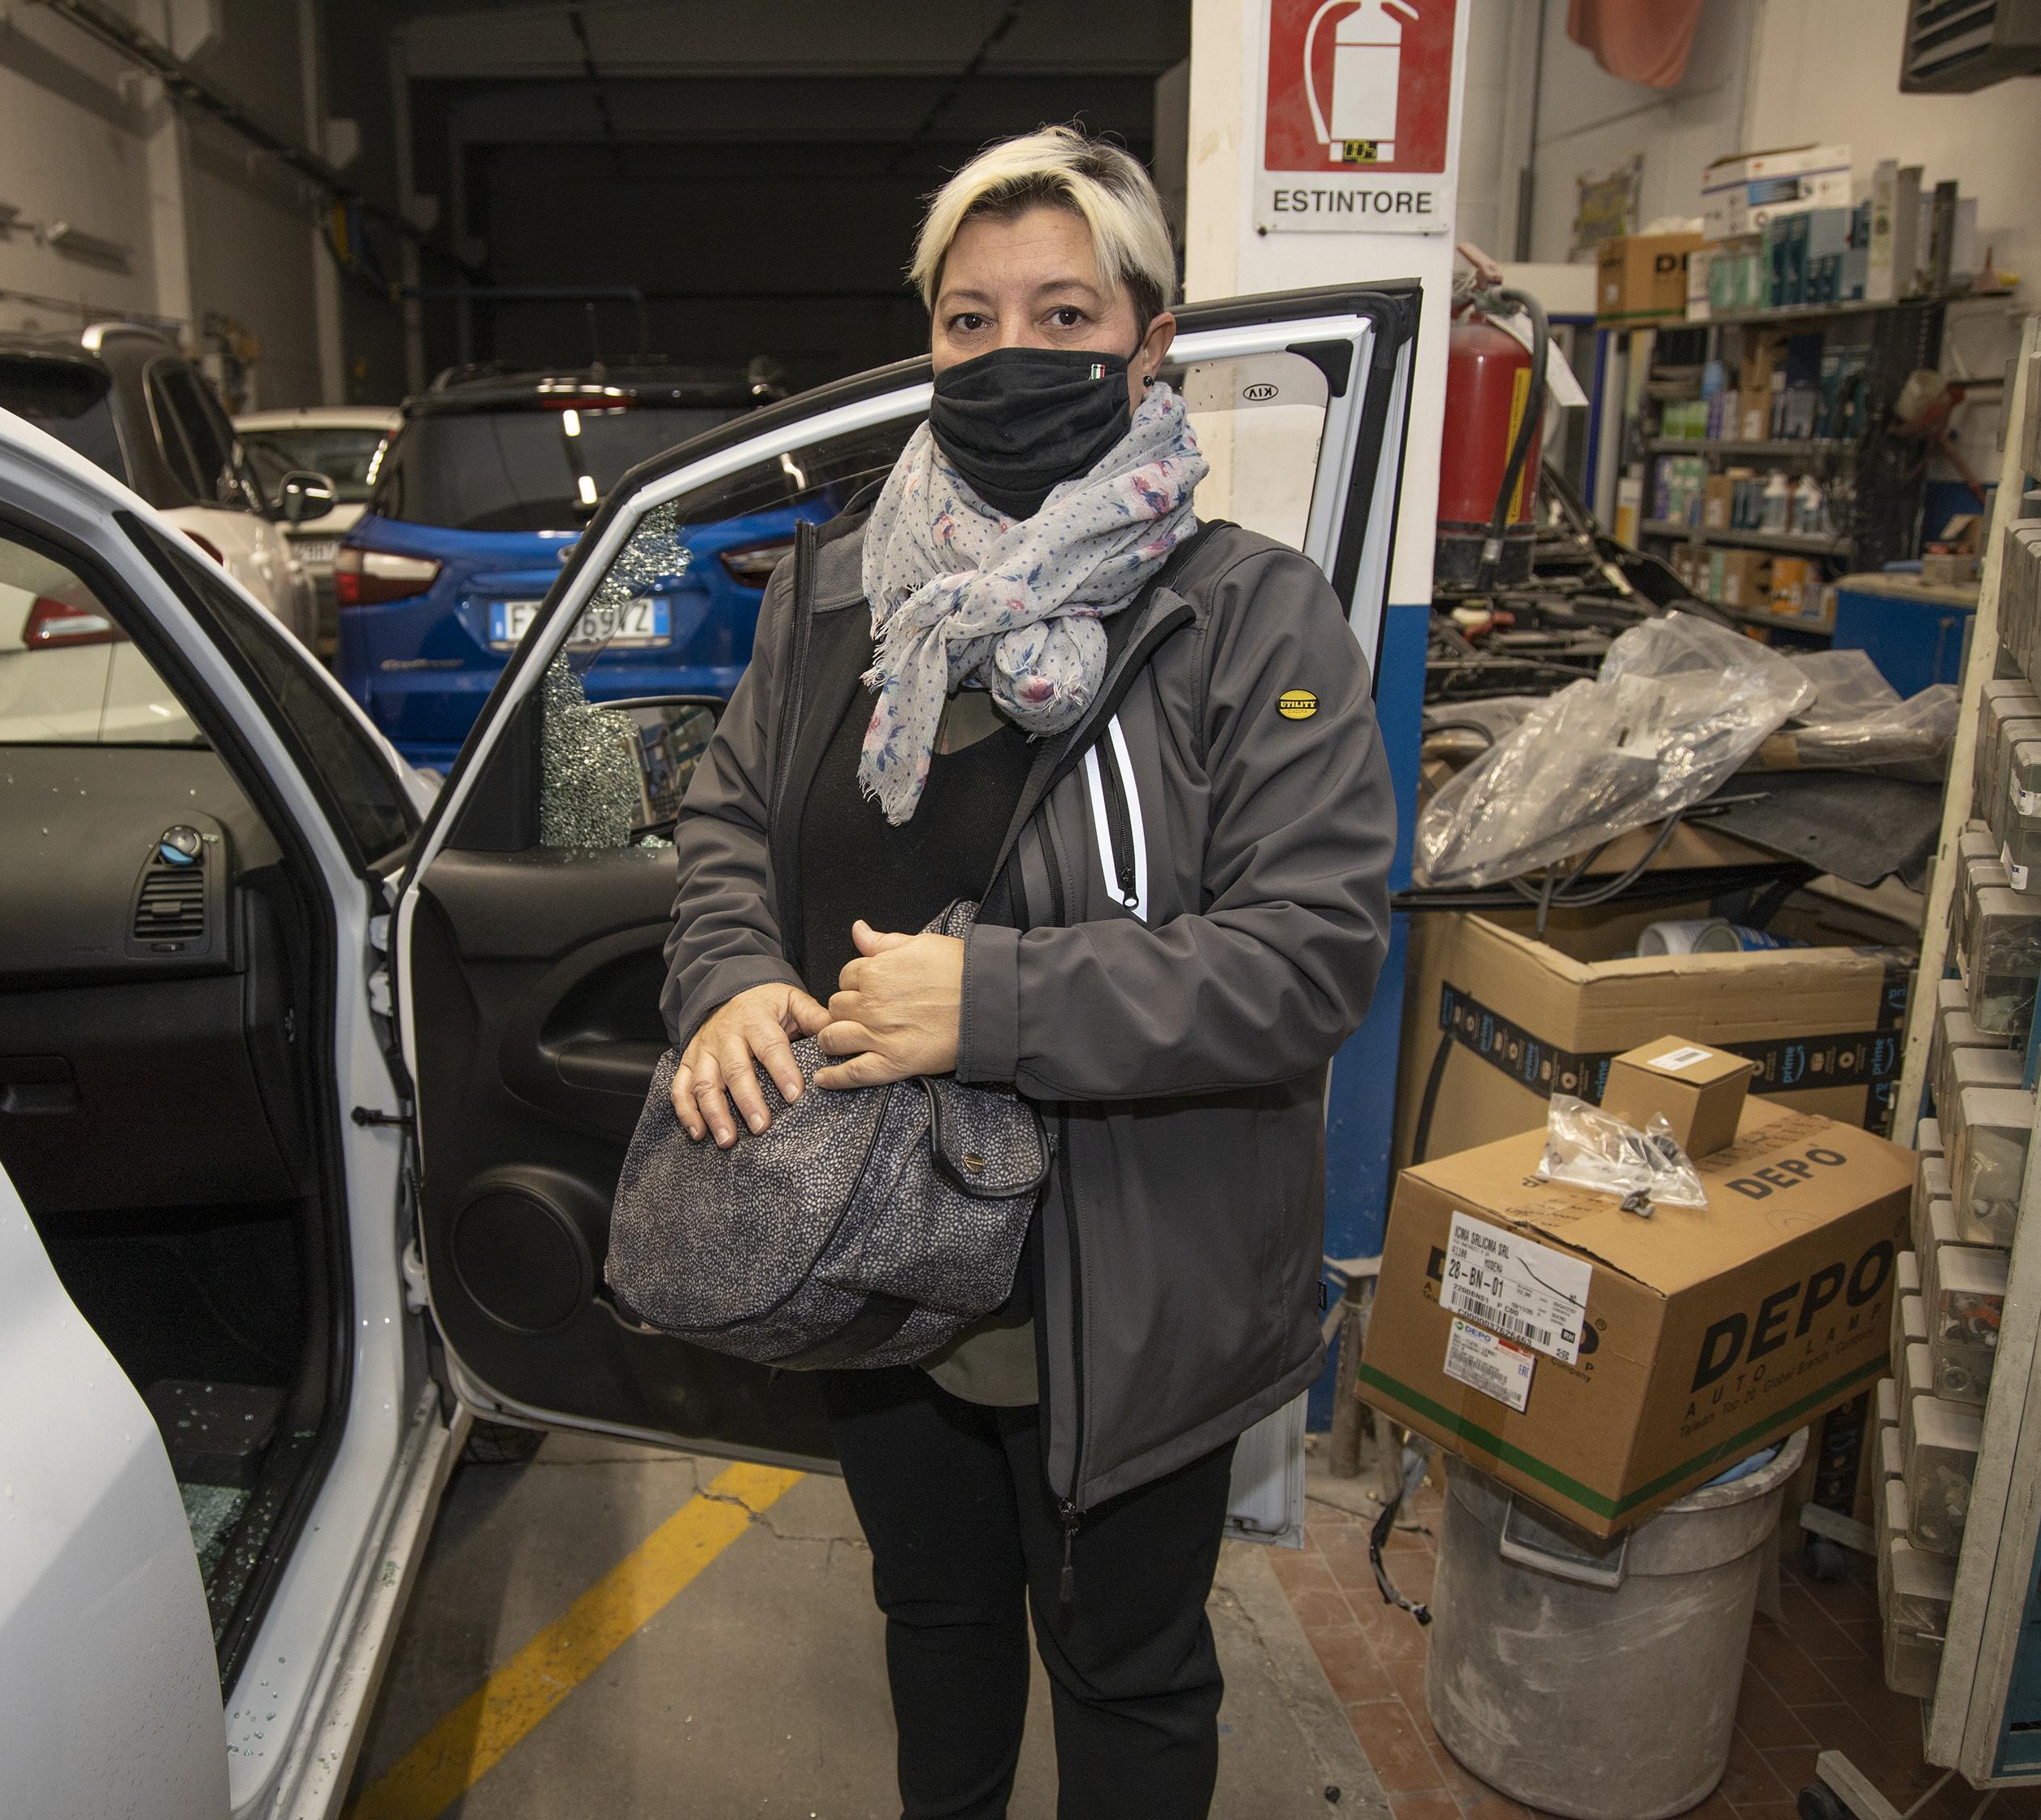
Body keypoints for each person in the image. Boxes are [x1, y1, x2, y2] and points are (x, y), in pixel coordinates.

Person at [656, 126, 1398, 1818]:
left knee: (1129, 1672)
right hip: (875, 1242)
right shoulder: (838, 589)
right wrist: (727, 977)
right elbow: (729, 813)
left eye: (1064, 314)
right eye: (967, 320)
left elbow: (1310, 956)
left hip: (1120, 1276)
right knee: (932, 1613)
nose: (1012, 357)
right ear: (925, 340)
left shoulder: (1248, 618)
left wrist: (988, 1004)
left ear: (1153, 341)